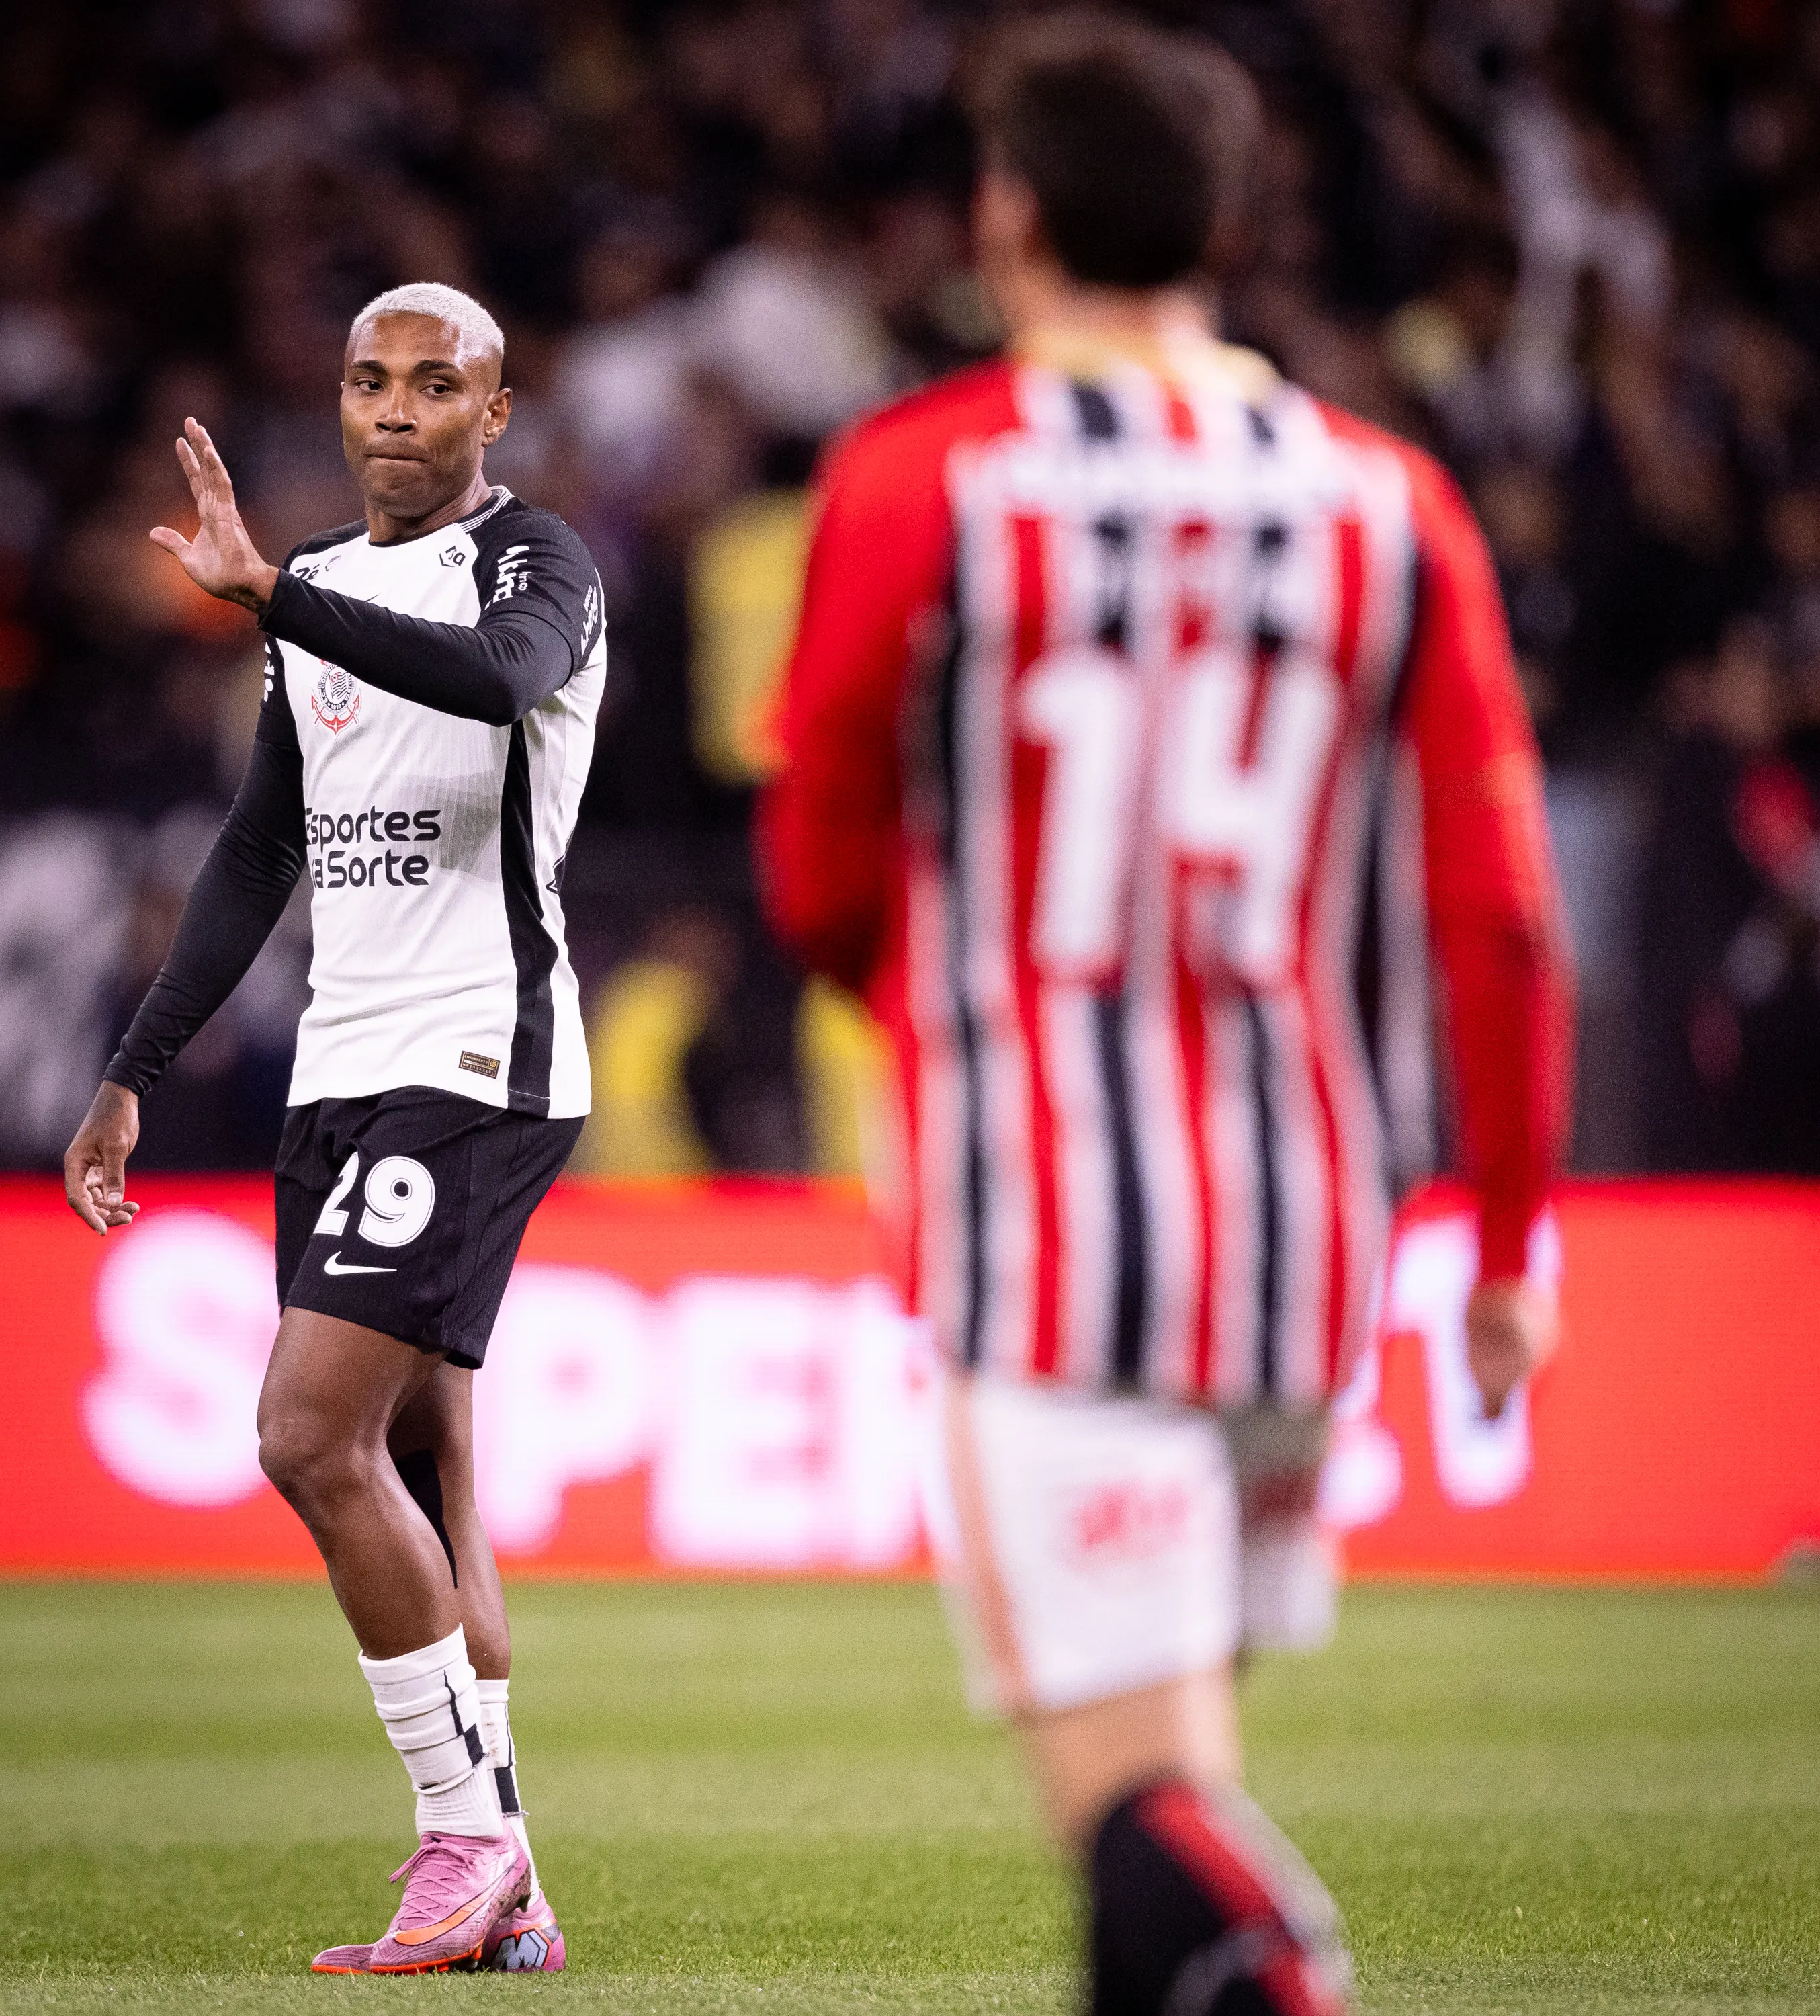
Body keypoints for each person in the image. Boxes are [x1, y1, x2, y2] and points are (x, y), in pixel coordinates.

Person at [759, 16, 1575, 2015]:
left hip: (1049, 1242)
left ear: (1008, 217)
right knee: (1168, 1797)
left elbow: (816, 866)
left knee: (1154, 1841)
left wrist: (921, 1012)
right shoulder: (1391, 500)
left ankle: (1285, 1967)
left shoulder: (922, 475)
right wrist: (1509, 1235)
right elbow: (1504, 918)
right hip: (1303, 1242)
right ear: (1221, 225)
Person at [62, 282, 606, 1975]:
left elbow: (504, 677)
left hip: (477, 1057)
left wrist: (274, 597)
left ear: (490, 415)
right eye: (368, 380)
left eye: (433, 386)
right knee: (433, 1488)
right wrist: (136, 1062)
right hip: (340, 1070)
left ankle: (466, 1844)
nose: (392, 409)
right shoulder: (318, 591)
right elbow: (255, 851)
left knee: (307, 1438)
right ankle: (512, 1892)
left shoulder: (539, 565)